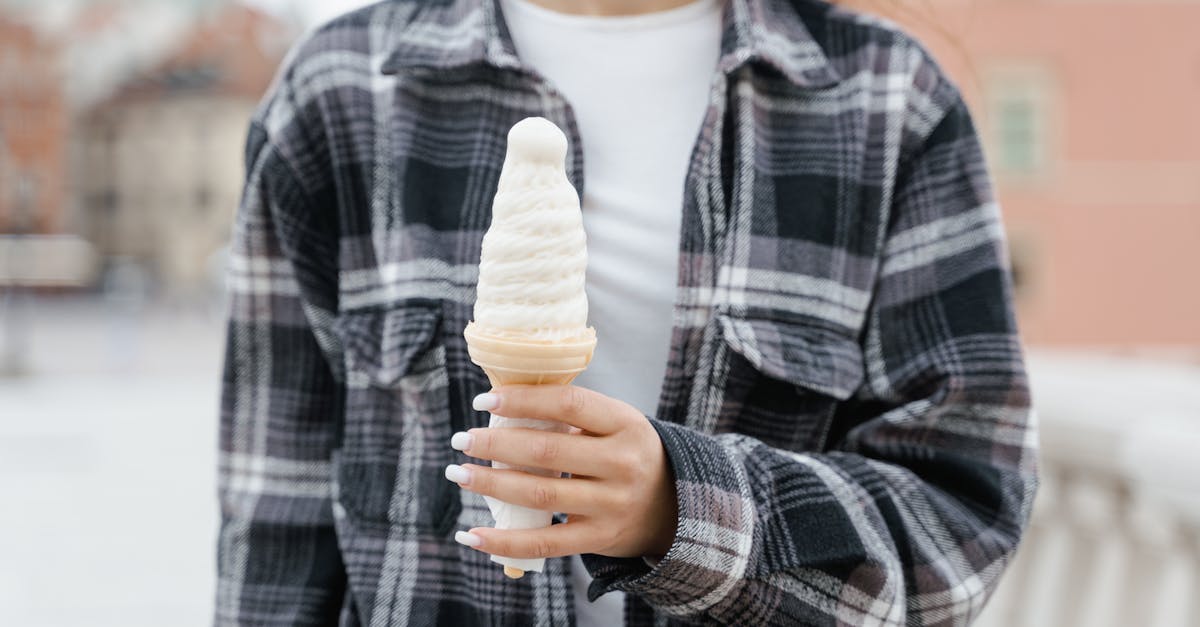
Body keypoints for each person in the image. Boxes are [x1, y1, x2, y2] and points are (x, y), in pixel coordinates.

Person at [215, 0, 1038, 624]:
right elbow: (274, 521)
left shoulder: (891, 104)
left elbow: (963, 516)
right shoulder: (340, 93)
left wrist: (683, 508)